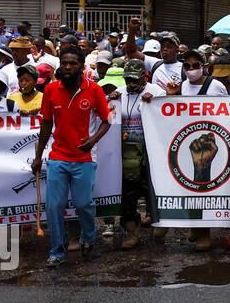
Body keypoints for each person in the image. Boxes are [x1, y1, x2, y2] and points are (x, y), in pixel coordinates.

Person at [31, 48, 113, 267]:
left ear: (81, 66)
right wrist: (38, 156)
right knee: (54, 205)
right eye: (64, 63)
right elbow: (46, 123)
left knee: (83, 203)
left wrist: (93, 140)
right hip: (57, 156)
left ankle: (88, 237)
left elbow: (107, 120)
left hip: (84, 158)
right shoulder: (50, 89)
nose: (67, 67)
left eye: (72, 63)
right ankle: (56, 250)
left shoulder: (94, 89)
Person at [108, 60, 164, 249]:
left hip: (151, 150)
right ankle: (132, 232)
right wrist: (111, 99)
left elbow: (167, 114)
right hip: (126, 151)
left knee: (152, 187)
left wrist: (155, 102)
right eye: (128, 79)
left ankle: (159, 221)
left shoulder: (156, 91)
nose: (131, 83)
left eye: (135, 79)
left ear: (144, 77)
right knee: (128, 192)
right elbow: (109, 117)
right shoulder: (119, 92)